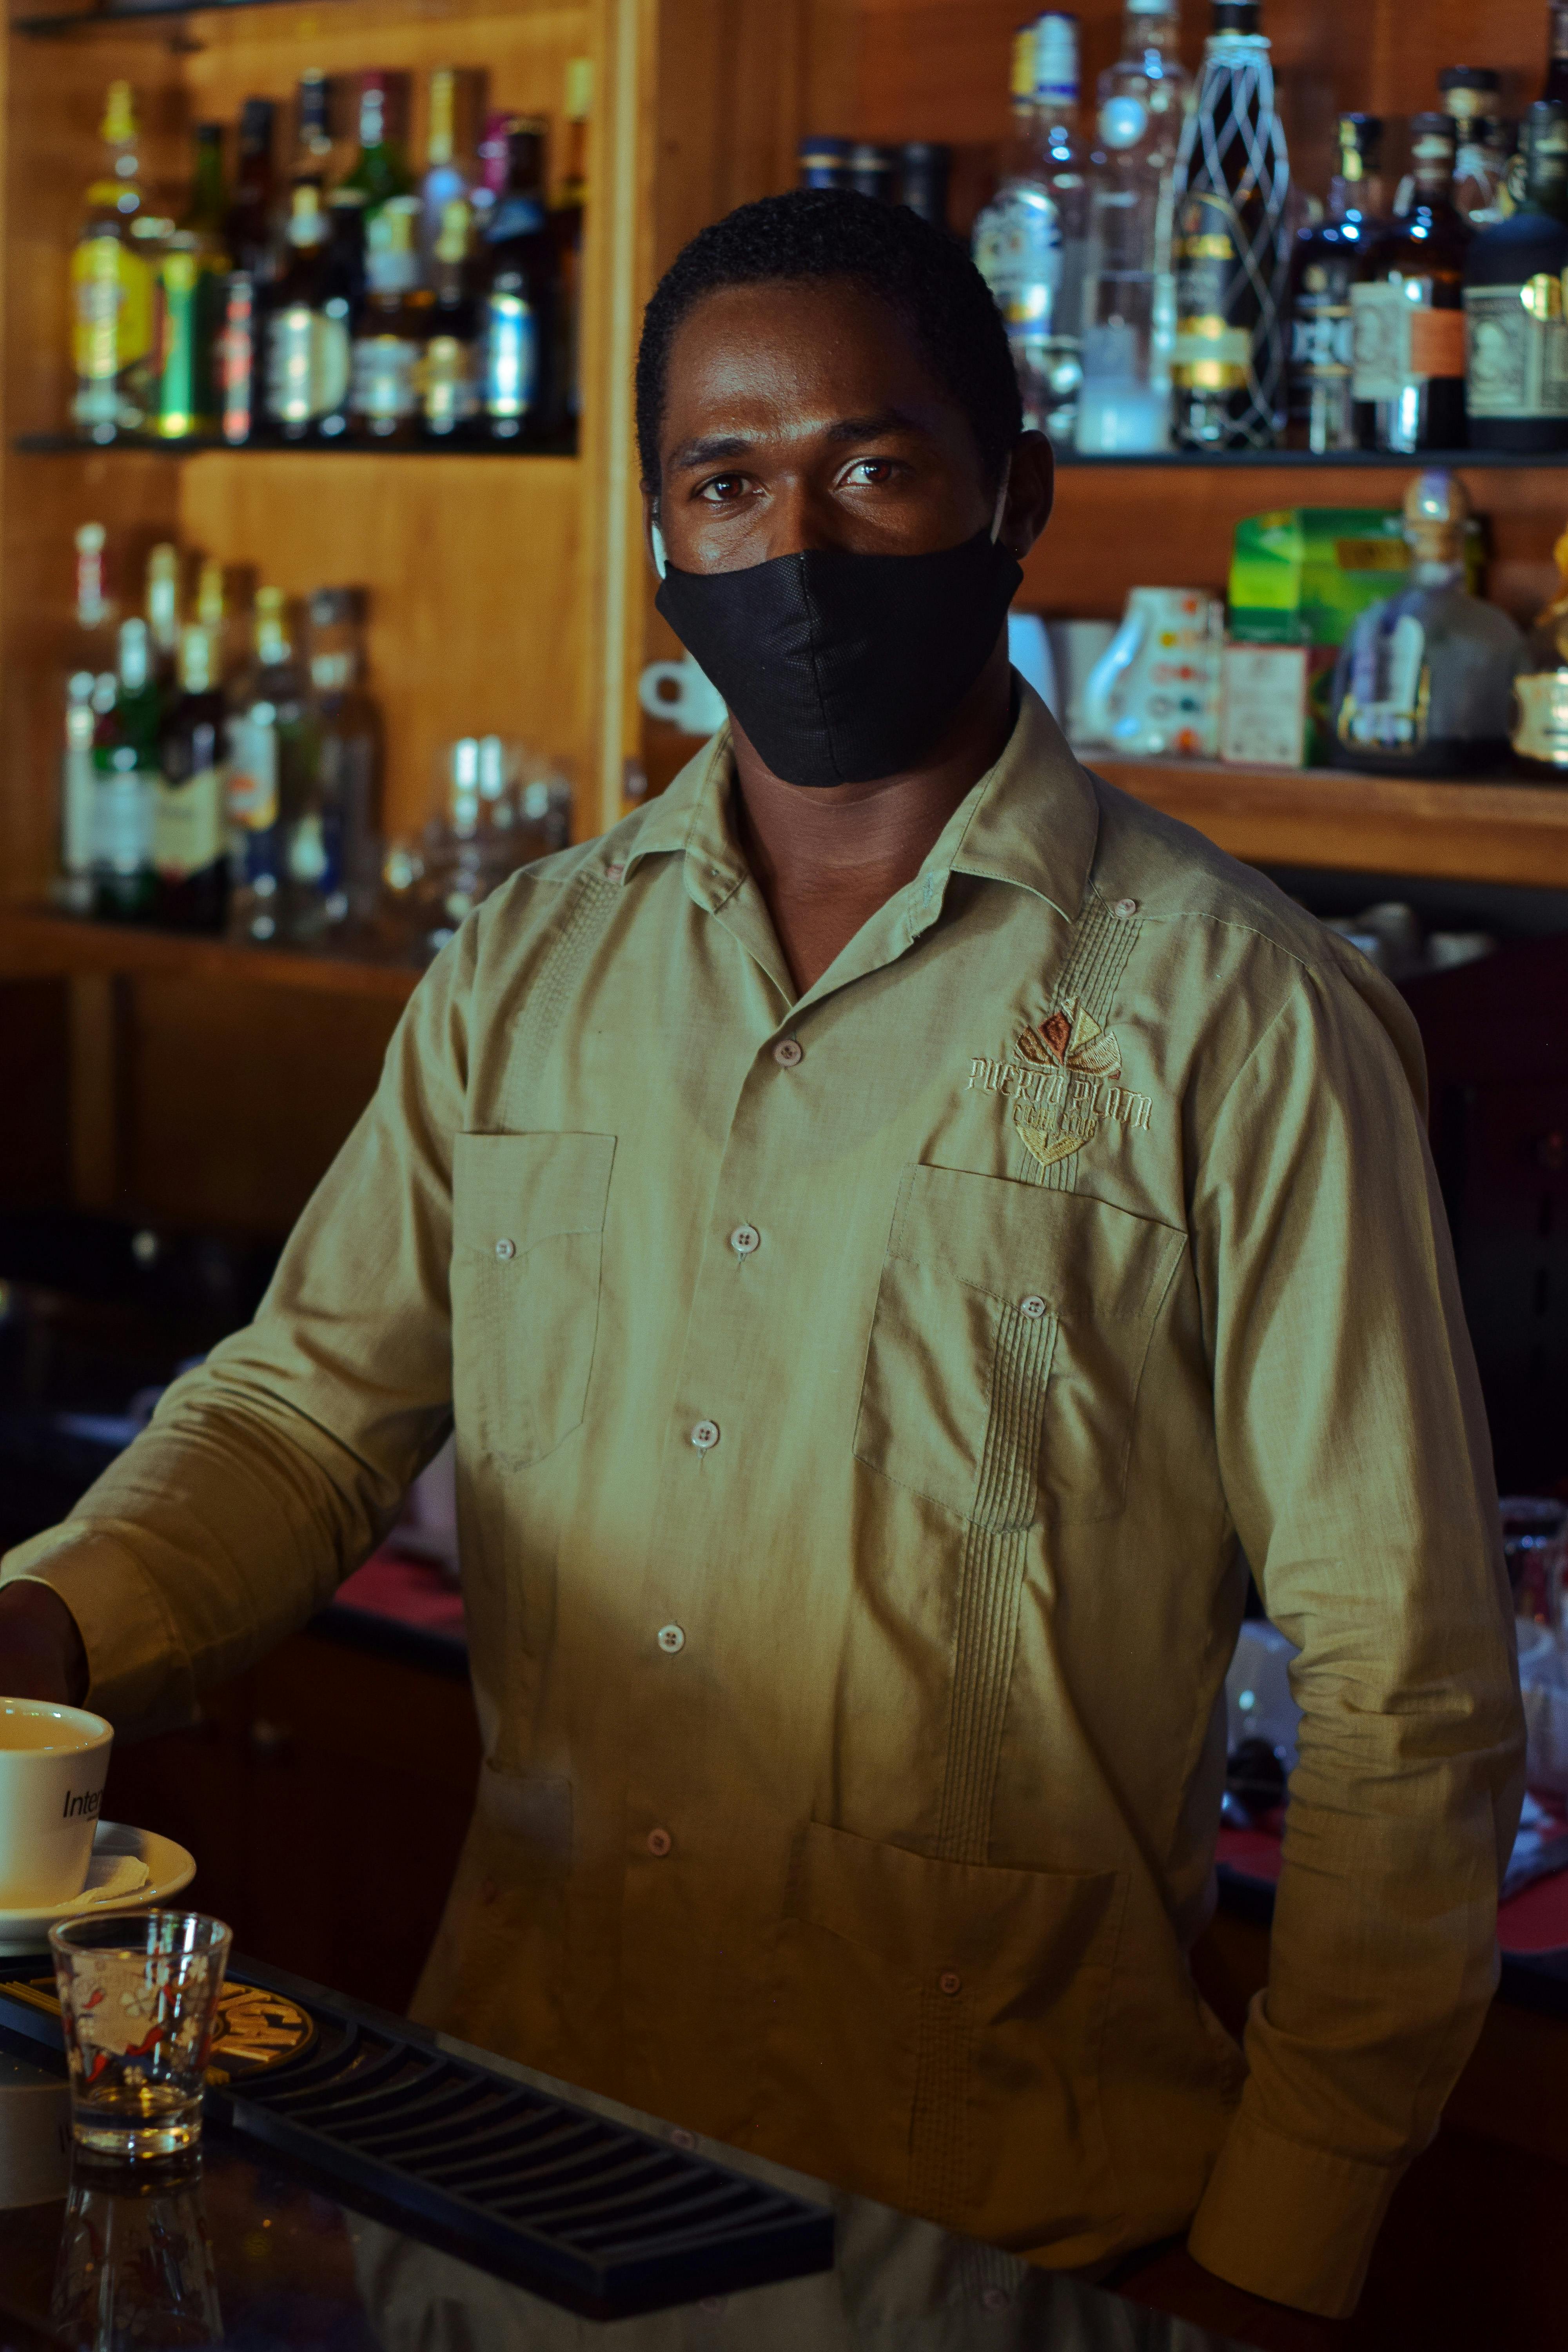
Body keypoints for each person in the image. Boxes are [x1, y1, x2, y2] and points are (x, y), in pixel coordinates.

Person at [0, 192, 1522, 2320]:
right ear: (660, 534)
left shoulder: (1240, 1018)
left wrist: (1280, 2251)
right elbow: (302, 1418)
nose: (793, 548)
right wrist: (44, 1637)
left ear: (1017, 498)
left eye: (872, 469)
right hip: (512, 2169)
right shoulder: (531, 963)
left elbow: (1403, 1690)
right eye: (725, 485)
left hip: (994, 2239)